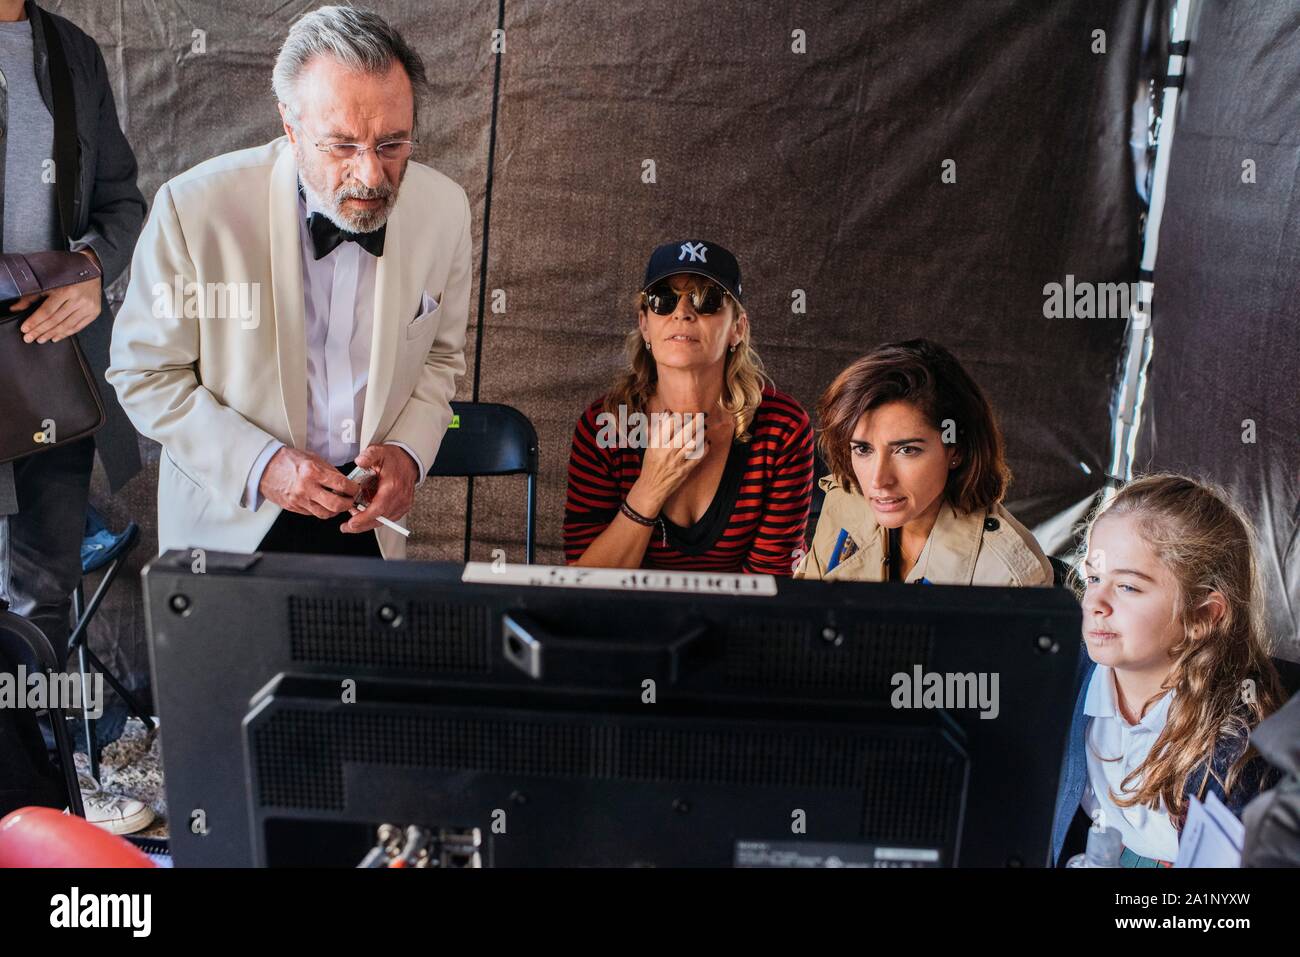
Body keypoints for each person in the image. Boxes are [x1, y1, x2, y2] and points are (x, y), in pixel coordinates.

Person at [107, 5, 471, 558]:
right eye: (342, 145)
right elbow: (144, 372)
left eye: (392, 144)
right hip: (231, 523)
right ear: (290, 126)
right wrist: (261, 464)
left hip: (368, 528)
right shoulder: (193, 208)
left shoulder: (445, 209)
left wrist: (407, 452)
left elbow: (441, 359)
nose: (371, 175)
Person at [0, 0, 150, 832]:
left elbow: (124, 202)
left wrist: (90, 270)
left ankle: (40, 804)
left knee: (44, 597)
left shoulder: (72, 53)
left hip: (46, 372)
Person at [1050, 474, 1284, 867]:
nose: (1095, 602)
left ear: (1202, 615)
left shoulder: (1238, 753)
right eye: (1093, 577)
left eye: (1128, 587)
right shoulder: (1063, 675)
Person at [564, 239, 813, 573]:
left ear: (737, 329)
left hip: (738, 624)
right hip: (627, 623)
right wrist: (651, 487)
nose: (682, 312)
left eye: (707, 300)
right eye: (663, 300)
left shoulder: (782, 428)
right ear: (644, 324)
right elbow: (583, 583)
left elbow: (770, 586)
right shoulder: (606, 426)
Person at [794, 338, 1051, 585]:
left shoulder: (1008, 577)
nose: (877, 480)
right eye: (863, 449)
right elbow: (803, 613)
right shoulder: (845, 498)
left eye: (906, 450)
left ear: (956, 450)